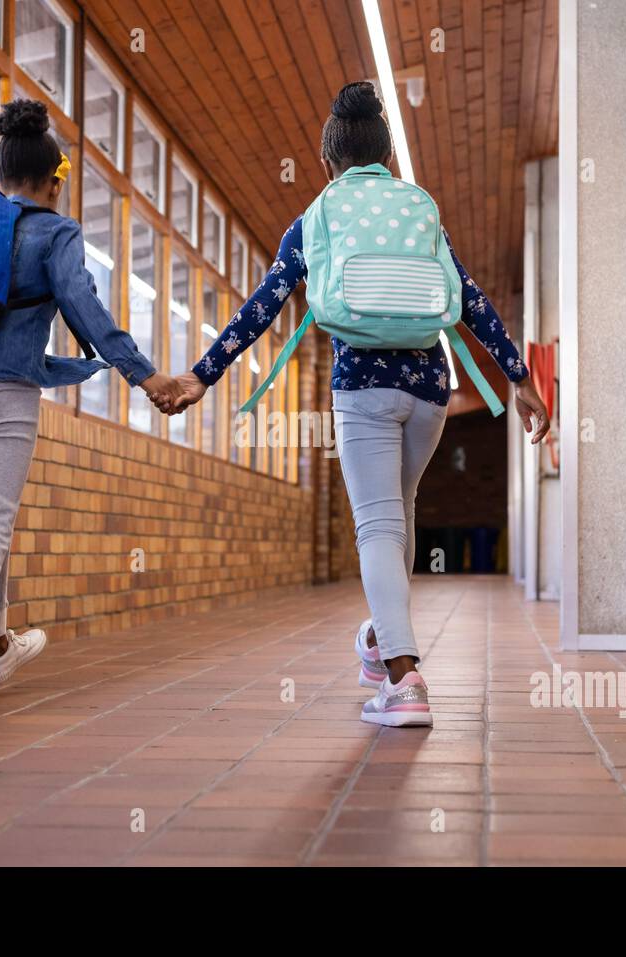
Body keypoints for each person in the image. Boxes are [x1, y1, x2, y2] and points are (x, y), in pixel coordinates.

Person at [169, 81, 551, 727]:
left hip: (363, 385)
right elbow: (470, 296)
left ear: (327, 163)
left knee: (376, 523)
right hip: (429, 387)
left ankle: (403, 681)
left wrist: (205, 374)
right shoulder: (419, 207)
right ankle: (380, 644)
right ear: (387, 156)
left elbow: (264, 303)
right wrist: (519, 376)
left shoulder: (316, 215)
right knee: (396, 515)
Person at [0, 99, 181, 715]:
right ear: (53, 181)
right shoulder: (54, 231)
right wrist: (146, 377)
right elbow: (86, 310)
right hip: (4, 390)